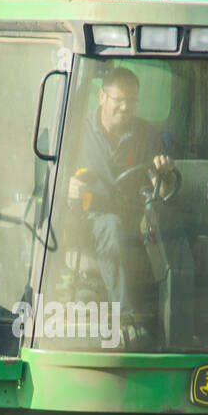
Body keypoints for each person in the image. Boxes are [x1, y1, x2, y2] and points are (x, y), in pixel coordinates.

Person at [64, 67, 177, 331]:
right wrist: (66, 188)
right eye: (119, 100)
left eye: (132, 101)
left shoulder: (146, 135)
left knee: (168, 226)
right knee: (109, 224)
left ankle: (174, 321)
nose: (126, 107)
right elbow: (52, 178)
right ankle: (124, 318)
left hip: (134, 217)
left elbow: (161, 191)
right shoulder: (76, 131)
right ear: (102, 97)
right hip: (85, 219)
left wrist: (165, 174)